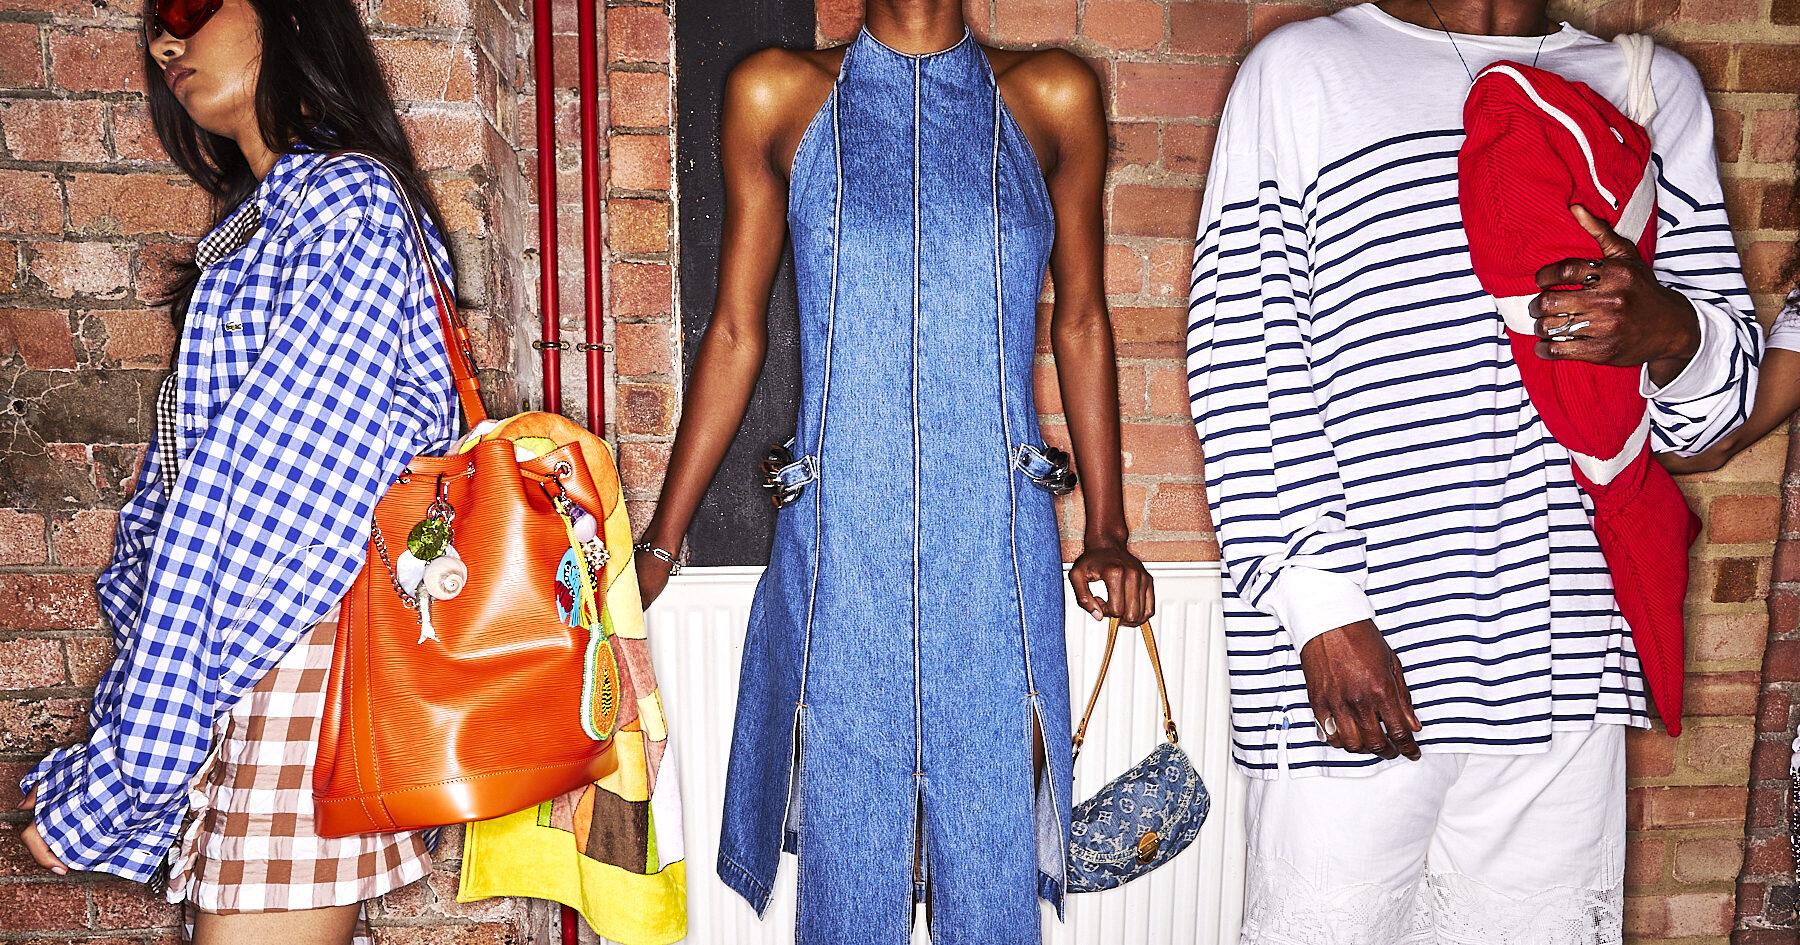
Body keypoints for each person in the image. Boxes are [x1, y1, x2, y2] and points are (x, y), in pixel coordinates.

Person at [1185, 1, 1757, 940]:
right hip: (1357, 651)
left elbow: (1713, 415)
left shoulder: (1649, 93)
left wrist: (1672, 332)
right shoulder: (1304, 72)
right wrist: (1320, 609)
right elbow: (1243, 356)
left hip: (1564, 655)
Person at [629, 0, 1154, 941]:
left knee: (993, 873)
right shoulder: (778, 95)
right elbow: (738, 331)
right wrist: (659, 544)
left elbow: (1080, 317)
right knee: (847, 873)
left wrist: (1108, 530)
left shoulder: (1051, 99)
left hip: (995, 556)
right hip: (843, 553)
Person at [16, 1, 463, 942]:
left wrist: (129, 765)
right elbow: (199, 499)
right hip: (256, 661)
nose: (164, 41)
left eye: (188, 5)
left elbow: (268, 498)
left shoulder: (346, 204)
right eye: (153, 24)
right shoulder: (271, 223)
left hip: (295, 656)